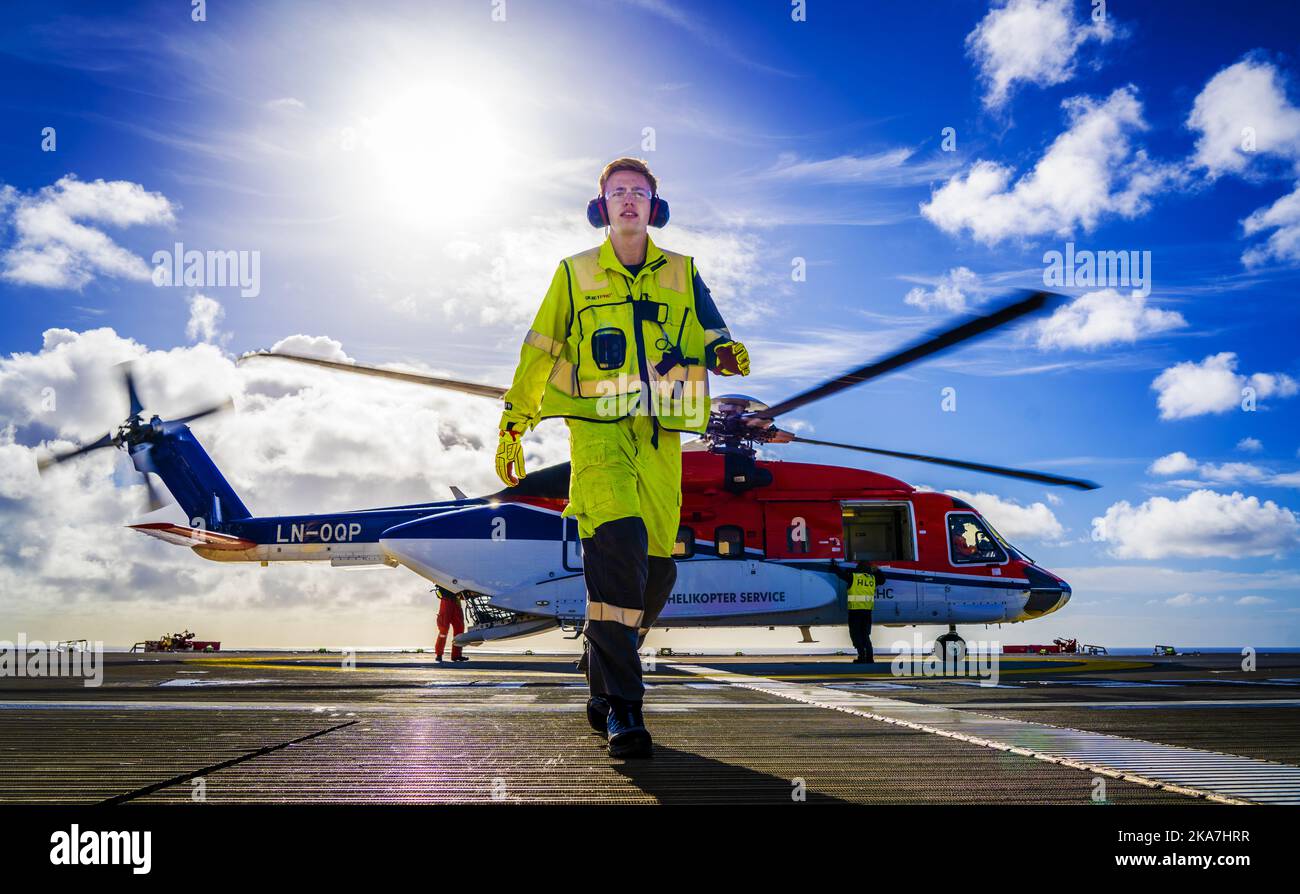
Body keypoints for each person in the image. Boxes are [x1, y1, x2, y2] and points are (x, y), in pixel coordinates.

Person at [494, 157, 749, 758]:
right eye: (617, 193)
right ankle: (625, 713)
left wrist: (728, 353)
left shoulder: (684, 272)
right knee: (619, 553)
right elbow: (539, 351)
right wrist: (514, 425)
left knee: (658, 570)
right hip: (599, 436)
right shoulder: (574, 274)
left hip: (662, 438)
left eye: (639, 192)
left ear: (654, 206)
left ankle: (600, 664)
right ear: (601, 206)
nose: (628, 200)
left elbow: (714, 334)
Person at [833, 560, 882, 663]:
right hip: (867, 611)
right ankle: (869, 658)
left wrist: (834, 566)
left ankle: (861, 657)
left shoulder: (854, 577)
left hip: (855, 611)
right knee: (865, 635)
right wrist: (877, 570)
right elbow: (882, 579)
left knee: (856, 634)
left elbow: (841, 574)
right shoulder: (873, 579)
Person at [435, 588, 468, 663]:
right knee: (444, 629)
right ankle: (439, 654)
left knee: (459, 630)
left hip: (455, 603)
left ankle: (456, 655)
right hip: (446, 601)